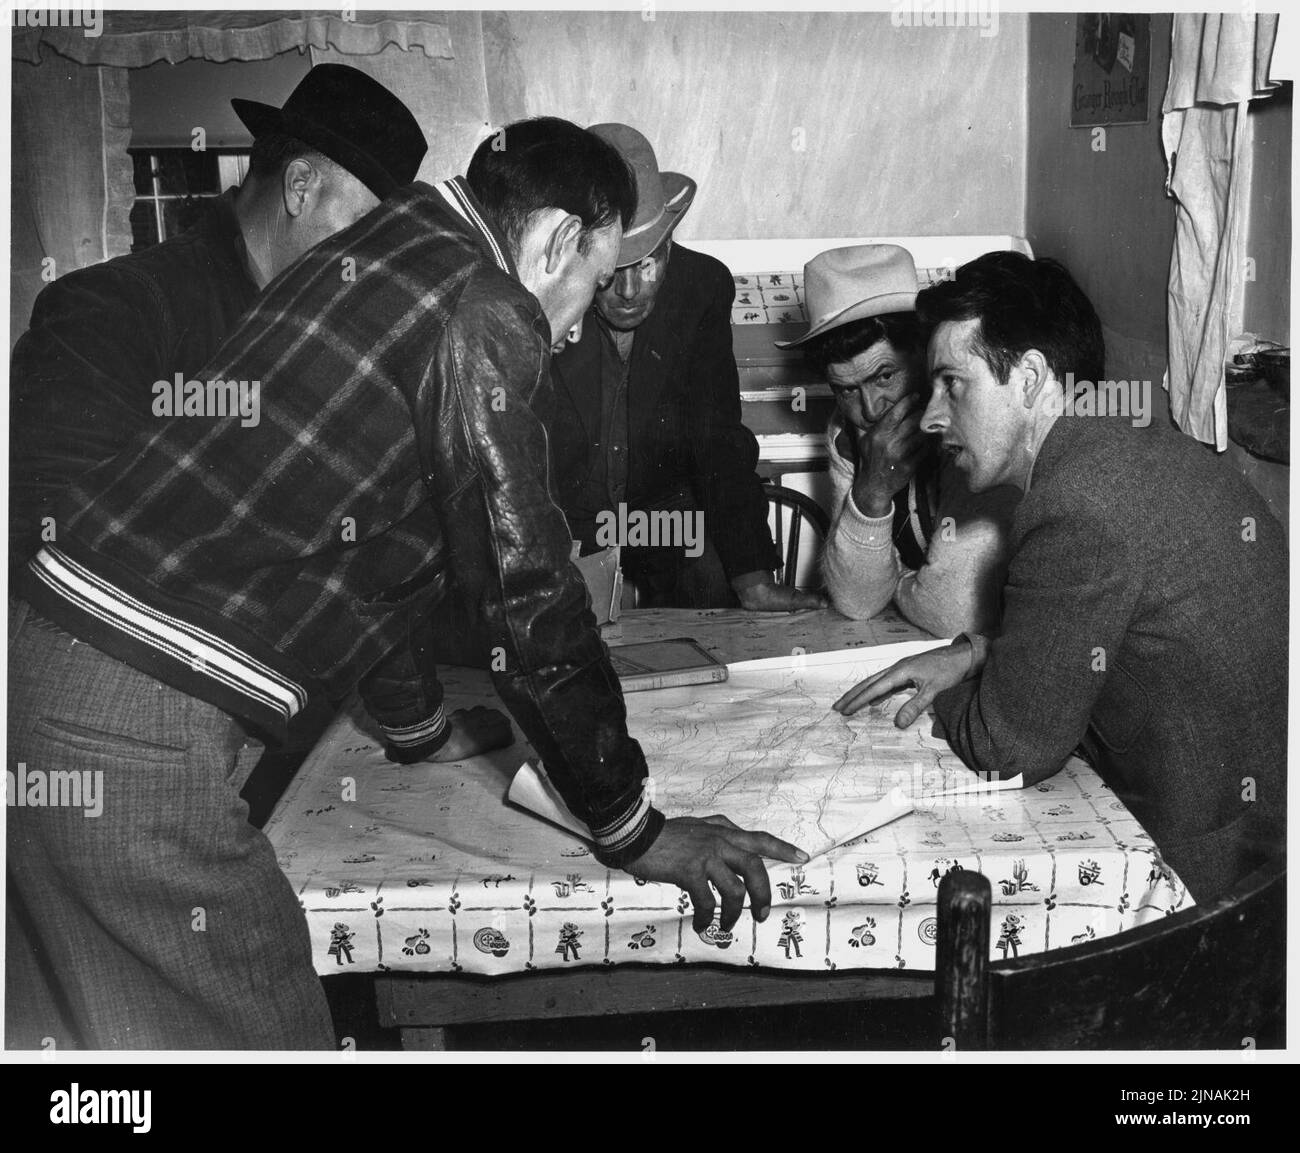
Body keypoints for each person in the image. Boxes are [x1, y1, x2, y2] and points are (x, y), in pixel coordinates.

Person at [9, 116, 804, 1050]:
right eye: (591, 275)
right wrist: (636, 828)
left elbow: (364, 528)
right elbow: (530, 591)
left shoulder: (395, 242)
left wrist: (420, 726)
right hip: (137, 730)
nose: (583, 316)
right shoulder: (485, 307)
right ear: (553, 241)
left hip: (46, 681)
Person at [8, 64, 506, 765]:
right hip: (126, 738)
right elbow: (47, 547)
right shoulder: (115, 308)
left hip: (276, 726)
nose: (378, 261)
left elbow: (367, 548)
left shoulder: (347, 324)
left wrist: (418, 727)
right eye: (366, 231)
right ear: (300, 187)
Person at [833, 251, 1286, 902]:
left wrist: (966, 700)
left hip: (1226, 883)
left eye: (953, 385)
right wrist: (974, 655)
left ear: (1030, 378)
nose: (931, 416)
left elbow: (1010, 743)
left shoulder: (1075, 502)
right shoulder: (1115, 448)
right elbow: (1106, 636)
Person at [545, 123, 822, 610]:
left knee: (716, 583)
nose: (629, 293)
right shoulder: (545, 294)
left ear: (670, 240)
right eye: (611, 273)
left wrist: (752, 577)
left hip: (664, 520)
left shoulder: (701, 287)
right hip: (567, 523)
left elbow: (717, 436)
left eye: (648, 264)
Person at [778, 244, 1017, 636]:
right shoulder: (847, 433)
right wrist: (870, 493)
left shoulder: (972, 418)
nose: (870, 409)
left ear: (923, 353)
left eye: (884, 376)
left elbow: (954, 614)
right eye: (846, 389)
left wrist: (897, 582)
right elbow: (857, 602)